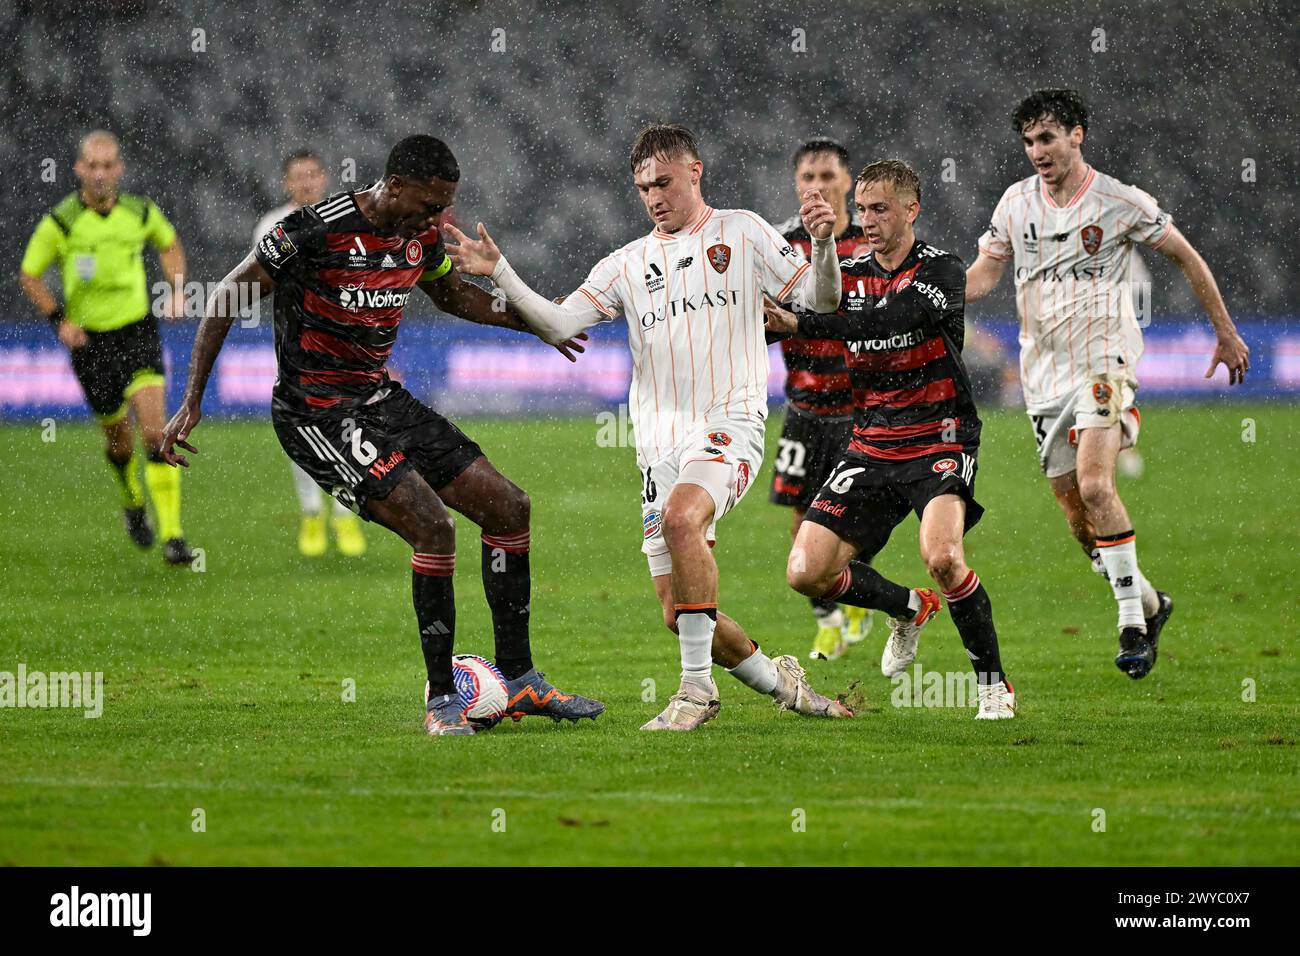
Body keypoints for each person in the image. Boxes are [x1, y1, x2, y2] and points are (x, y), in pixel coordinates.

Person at [158, 135, 603, 735]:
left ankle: (520, 681)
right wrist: (190, 403)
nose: (437, 219)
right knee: (433, 526)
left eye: (445, 205)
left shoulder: (418, 235)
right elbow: (225, 299)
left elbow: (451, 295)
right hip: (315, 412)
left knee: (508, 507)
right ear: (393, 186)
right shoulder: (313, 230)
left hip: (379, 398)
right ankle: (443, 700)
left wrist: (533, 323)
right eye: (429, 204)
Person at [446, 123, 853, 731]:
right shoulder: (628, 264)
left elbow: (822, 304)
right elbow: (558, 324)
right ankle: (785, 686)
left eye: (664, 181)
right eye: (643, 188)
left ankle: (695, 692)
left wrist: (821, 246)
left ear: (695, 171)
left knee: (683, 517)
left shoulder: (742, 232)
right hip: (658, 447)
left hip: (729, 424)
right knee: (680, 611)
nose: (654, 196)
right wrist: (499, 269)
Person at [964, 89, 1250, 678]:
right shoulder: (1015, 204)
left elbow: (1187, 257)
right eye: (1028, 142)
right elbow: (982, 278)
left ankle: (1131, 625)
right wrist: (922, 286)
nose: (1037, 151)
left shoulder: (1119, 201)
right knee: (1078, 520)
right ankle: (1150, 601)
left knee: (1096, 486)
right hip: (1043, 379)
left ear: (1077, 135)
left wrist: (1224, 332)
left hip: (1105, 366)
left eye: (1047, 138)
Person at [769, 159, 1016, 720]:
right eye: (862, 208)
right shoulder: (848, 269)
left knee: (945, 557)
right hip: (872, 441)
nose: (869, 218)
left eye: (880, 208)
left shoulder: (942, 271)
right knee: (805, 573)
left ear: (911, 210)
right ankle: (908, 608)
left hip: (939, 437)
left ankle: (993, 689)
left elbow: (881, 322)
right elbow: (820, 303)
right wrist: (820, 248)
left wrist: (799, 323)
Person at [19, 130, 194, 564]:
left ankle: (173, 536)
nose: (100, 174)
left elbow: (169, 244)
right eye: (92, 166)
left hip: (136, 332)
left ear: (119, 169)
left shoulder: (139, 211)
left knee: (155, 433)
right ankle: (132, 500)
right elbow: (29, 275)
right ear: (79, 169)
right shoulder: (60, 221)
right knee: (120, 445)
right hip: (91, 344)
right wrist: (60, 320)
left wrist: (176, 289)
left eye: (108, 165)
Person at [769, 138, 873, 660]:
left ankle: (852, 591)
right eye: (807, 177)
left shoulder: (870, 244)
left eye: (827, 176)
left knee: (858, 517)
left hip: (861, 408)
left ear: (848, 182)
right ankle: (830, 618)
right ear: (796, 184)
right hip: (805, 409)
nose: (817, 186)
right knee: (801, 519)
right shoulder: (779, 244)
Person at [252, 149, 366, 557]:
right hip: (295, 343)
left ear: (324, 178)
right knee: (301, 431)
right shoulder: (272, 225)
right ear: (287, 182)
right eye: (298, 176)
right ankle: (312, 512)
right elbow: (267, 279)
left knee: (349, 428)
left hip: (342, 343)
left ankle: (345, 513)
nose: (306, 182)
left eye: (313, 174)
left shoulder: (345, 218)